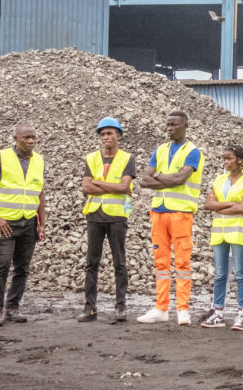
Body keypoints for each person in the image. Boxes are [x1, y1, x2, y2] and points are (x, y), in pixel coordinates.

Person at [137, 111, 202, 325]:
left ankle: (182, 309)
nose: (169, 128)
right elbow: (144, 181)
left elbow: (181, 179)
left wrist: (157, 176)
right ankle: (161, 307)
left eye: (173, 124)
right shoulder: (160, 150)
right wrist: (166, 179)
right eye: (167, 125)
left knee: (182, 262)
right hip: (159, 212)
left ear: (186, 125)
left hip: (180, 212)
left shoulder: (192, 152)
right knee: (161, 262)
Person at [0, 124, 45, 327]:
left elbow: (40, 192)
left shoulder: (39, 161)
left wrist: (41, 222)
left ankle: (13, 307)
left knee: (22, 268)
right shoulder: (0, 158)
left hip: (28, 223)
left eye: (33, 137)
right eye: (26, 137)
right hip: (5, 223)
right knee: (2, 266)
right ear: (15, 138)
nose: (31, 141)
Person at [79, 117, 135, 323]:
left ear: (118, 135)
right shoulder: (91, 158)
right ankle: (89, 308)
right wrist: (112, 185)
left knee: (119, 262)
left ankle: (120, 307)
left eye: (110, 133)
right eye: (103, 134)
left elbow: (124, 188)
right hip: (94, 214)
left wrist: (97, 182)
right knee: (91, 263)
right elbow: (86, 187)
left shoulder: (127, 158)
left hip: (117, 216)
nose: (106, 137)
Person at [202, 143, 243, 331]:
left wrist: (220, 205)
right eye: (224, 158)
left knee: (241, 273)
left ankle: (241, 313)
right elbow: (207, 205)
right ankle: (218, 312)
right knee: (220, 274)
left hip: (239, 232)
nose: (225, 162)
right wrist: (230, 204)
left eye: (229, 158)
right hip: (220, 231)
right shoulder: (219, 180)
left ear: (240, 160)